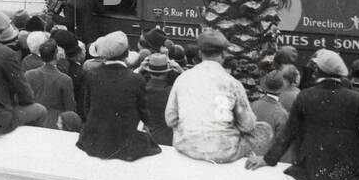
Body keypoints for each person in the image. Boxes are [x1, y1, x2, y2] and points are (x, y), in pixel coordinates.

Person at [247, 49, 359, 180]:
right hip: (342, 173)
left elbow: (288, 133)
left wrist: (268, 159)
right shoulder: (357, 99)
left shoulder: (305, 95)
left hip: (310, 170)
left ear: (319, 71)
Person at [165, 29, 272, 163]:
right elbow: (248, 126)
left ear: (200, 53)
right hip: (224, 151)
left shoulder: (182, 78)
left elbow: (170, 119)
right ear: (224, 53)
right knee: (265, 129)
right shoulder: (233, 83)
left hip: (187, 147)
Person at [76, 31, 161, 160]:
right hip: (124, 141)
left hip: (95, 140)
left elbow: (87, 108)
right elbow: (143, 112)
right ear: (126, 53)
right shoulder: (136, 79)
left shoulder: (91, 75)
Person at [25, 38, 82, 131]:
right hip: (55, 124)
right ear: (57, 55)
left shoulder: (29, 74)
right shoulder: (65, 79)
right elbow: (70, 108)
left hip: (33, 122)